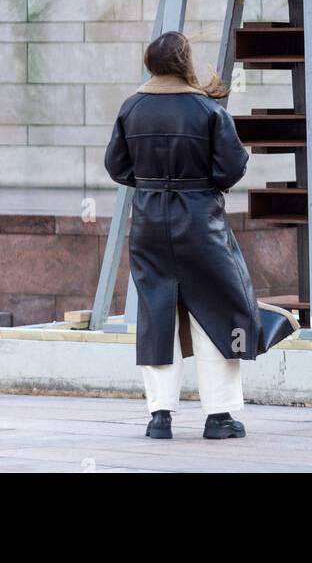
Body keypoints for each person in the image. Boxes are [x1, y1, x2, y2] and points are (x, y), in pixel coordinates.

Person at [104, 31, 263, 441]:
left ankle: (159, 417)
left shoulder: (132, 107)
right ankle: (219, 417)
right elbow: (232, 167)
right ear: (184, 61)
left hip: (149, 221)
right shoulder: (206, 109)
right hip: (199, 220)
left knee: (156, 313)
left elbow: (116, 167)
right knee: (216, 310)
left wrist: (152, 182)